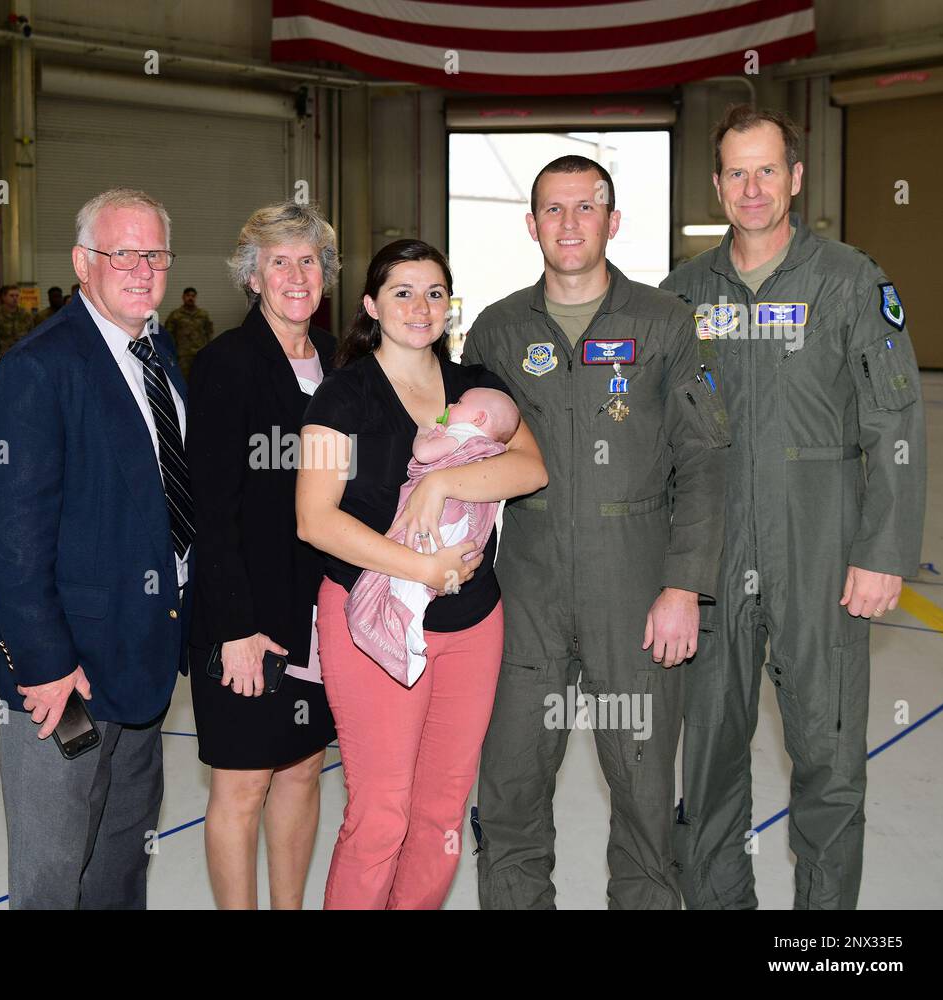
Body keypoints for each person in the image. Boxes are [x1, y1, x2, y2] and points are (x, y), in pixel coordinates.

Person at [661, 105, 927, 910]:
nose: (751, 187)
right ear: (716, 184)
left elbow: (896, 423)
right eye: (736, 172)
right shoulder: (681, 293)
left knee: (828, 760)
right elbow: (660, 437)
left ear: (796, 178)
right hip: (712, 557)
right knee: (707, 761)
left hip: (820, 550)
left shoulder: (849, 280)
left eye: (766, 169)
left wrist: (884, 550)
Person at [463, 155, 730, 910]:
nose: (570, 223)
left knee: (645, 791)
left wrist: (684, 585)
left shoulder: (665, 323)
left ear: (613, 222)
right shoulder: (497, 330)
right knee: (511, 786)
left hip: (636, 584)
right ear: (532, 225)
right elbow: (463, 454)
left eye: (587, 208)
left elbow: (705, 463)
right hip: (525, 587)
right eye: (553, 209)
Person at [297, 238, 547, 909]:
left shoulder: (476, 387)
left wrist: (444, 487)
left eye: (435, 292)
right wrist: (423, 566)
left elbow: (531, 468)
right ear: (373, 305)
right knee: (382, 815)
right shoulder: (340, 397)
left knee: (440, 818)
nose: (420, 305)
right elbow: (315, 520)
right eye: (403, 291)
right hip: (371, 621)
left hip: (471, 625)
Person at [0, 187, 191, 910]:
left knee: (119, 865)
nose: (141, 268)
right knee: (51, 876)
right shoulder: (38, 368)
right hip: (64, 678)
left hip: (142, 656)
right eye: (120, 253)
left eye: (153, 253)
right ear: (82, 263)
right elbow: (8, 541)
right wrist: (44, 665)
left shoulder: (156, 351)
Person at [186, 201, 340, 909]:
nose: (296, 274)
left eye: (308, 259)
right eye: (279, 261)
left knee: (304, 771)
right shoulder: (227, 364)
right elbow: (209, 513)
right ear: (252, 277)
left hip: (322, 612)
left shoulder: (341, 364)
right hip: (248, 613)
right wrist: (236, 629)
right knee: (243, 783)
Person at [345, 387, 519, 686]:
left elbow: (424, 455)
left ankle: (404, 635)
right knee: (419, 585)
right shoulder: (489, 450)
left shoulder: (462, 435)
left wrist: (425, 433)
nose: (451, 404)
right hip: (462, 528)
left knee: (405, 582)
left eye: (460, 402)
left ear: (478, 418)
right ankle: (410, 633)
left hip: (439, 520)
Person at [165, 286, 214, 380]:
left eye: (193, 296)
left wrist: (208, 351)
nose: (190, 298)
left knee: (200, 379)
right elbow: (169, 335)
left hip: (199, 354)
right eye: (188, 295)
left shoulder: (203, 314)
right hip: (182, 356)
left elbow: (209, 332)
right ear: (183, 297)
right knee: (183, 380)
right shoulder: (175, 315)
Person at [0, 283, 34, 348]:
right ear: (4, 297)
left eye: (17, 296)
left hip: (23, 349)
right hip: (3, 351)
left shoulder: (26, 314)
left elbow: (32, 333)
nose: (15, 298)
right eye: (11, 296)